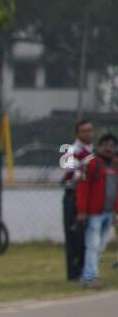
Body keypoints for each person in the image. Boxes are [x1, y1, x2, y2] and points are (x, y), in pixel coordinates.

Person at [75, 131, 115, 288]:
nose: (108, 149)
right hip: (94, 214)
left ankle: (87, 275)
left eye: (111, 146)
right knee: (93, 245)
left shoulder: (114, 166)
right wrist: (82, 211)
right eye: (105, 146)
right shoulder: (91, 164)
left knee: (100, 247)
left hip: (108, 212)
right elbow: (83, 189)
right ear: (99, 147)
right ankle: (91, 277)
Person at [63, 118, 95, 281]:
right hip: (74, 196)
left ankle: (86, 269)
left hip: (91, 197)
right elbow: (70, 175)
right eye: (84, 131)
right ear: (77, 133)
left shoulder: (95, 151)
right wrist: (86, 172)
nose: (88, 133)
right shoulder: (71, 151)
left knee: (88, 236)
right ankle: (74, 272)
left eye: (90, 130)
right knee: (74, 235)